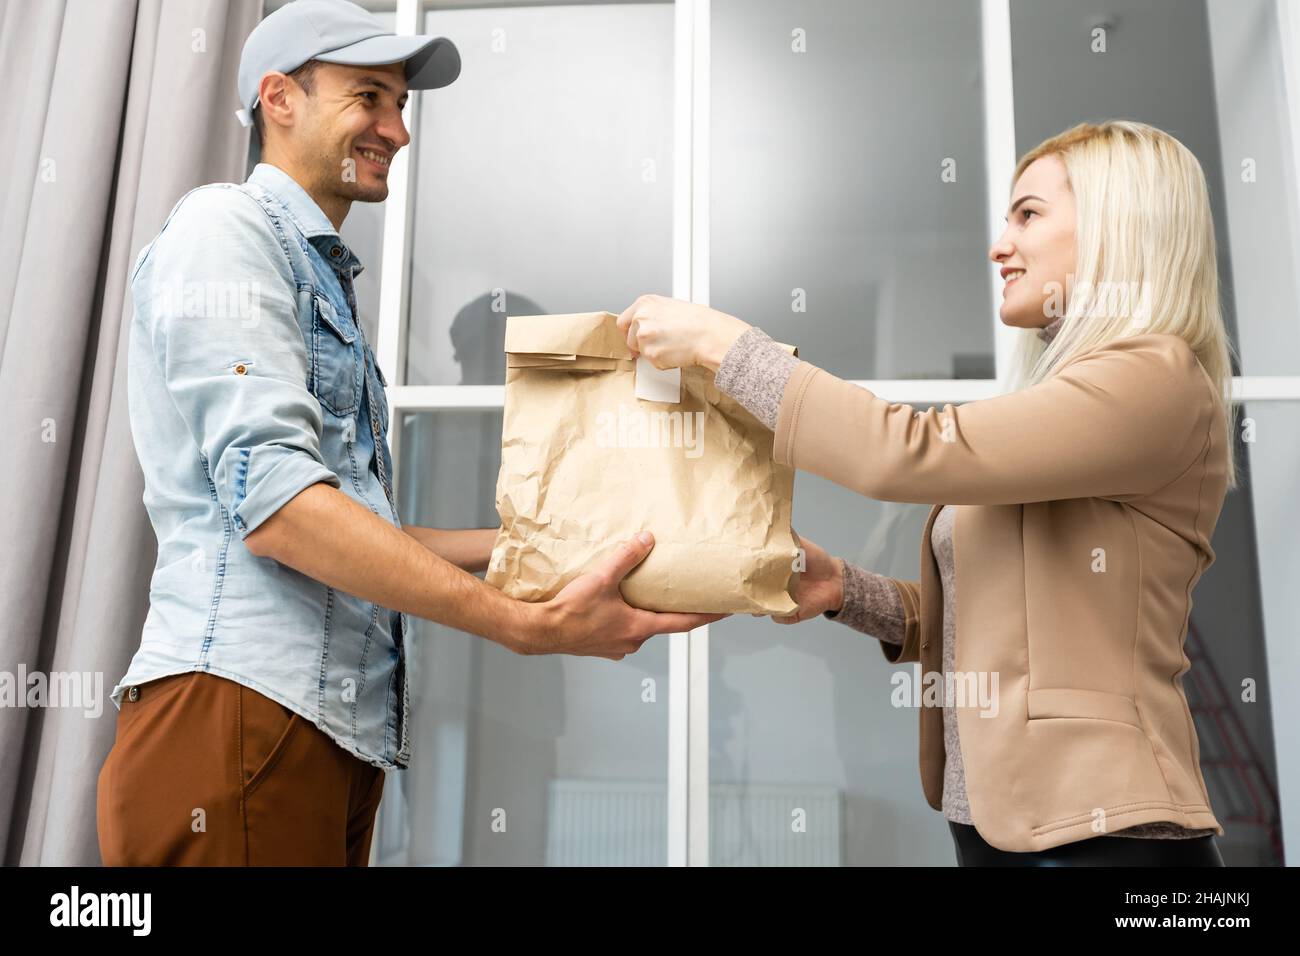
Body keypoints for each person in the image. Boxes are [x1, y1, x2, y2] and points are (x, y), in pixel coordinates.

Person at [97, 0, 719, 868]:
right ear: (280, 98)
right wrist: (521, 624)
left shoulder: (315, 274)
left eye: (401, 104)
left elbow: (346, 519)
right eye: (368, 98)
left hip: (322, 733)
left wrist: (526, 549)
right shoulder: (224, 230)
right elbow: (284, 513)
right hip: (239, 709)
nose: (397, 128)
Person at [618, 120, 1237, 866]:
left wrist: (722, 345)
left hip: (1104, 840)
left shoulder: (1155, 381)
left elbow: (903, 453)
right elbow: (992, 624)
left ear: (1117, 226)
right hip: (993, 832)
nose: (999, 244)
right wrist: (843, 588)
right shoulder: (1076, 405)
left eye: (1028, 214)